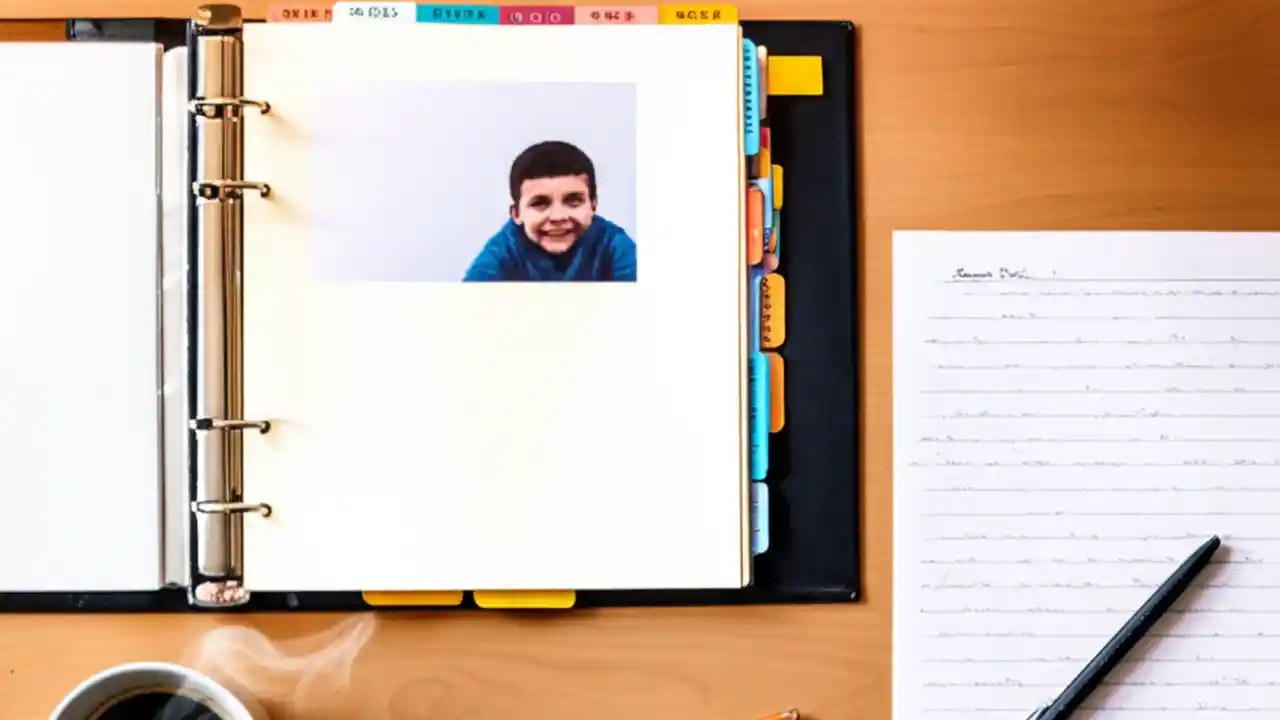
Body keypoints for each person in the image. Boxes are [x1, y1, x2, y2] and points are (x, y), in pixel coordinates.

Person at [463, 141, 637, 282]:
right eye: (540, 203)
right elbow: (468, 306)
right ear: (516, 214)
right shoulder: (504, 249)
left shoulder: (613, 244)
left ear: (593, 205)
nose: (558, 216)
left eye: (573, 201)